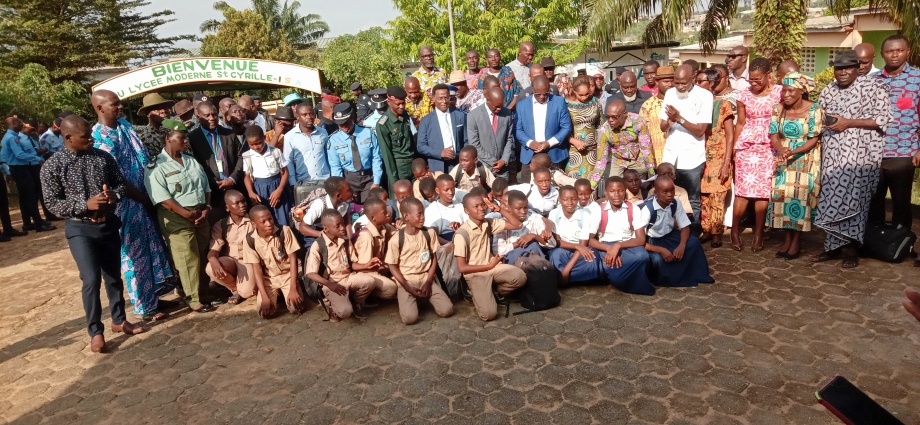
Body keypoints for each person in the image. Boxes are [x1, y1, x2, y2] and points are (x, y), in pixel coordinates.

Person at [40, 115, 146, 353]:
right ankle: (95, 332)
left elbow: (120, 184)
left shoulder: (102, 157)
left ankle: (118, 320)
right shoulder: (53, 165)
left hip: (107, 225)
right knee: (90, 279)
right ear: (68, 138)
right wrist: (84, 204)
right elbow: (51, 203)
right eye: (85, 137)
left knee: (113, 276)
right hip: (80, 229)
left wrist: (113, 196)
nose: (91, 139)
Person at [90, 90, 173, 321]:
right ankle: (144, 306)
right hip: (127, 203)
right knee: (134, 255)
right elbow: (116, 177)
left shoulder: (124, 126)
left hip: (144, 197)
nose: (119, 107)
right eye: (114, 104)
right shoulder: (101, 138)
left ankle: (153, 295)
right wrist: (143, 198)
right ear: (100, 108)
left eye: (119, 103)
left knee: (151, 246)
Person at [816, 49, 891, 269]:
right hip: (833, 155)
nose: (843, 72)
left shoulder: (874, 88)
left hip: (862, 155)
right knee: (832, 198)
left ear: (858, 68)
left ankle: (851, 249)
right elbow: (820, 117)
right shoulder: (828, 90)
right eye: (839, 68)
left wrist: (849, 122)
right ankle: (832, 246)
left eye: (848, 67)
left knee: (856, 201)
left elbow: (883, 119)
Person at [145, 119, 215, 315]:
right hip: (176, 217)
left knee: (202, 254)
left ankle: (204, 291)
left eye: (186, 138)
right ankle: (193, 299)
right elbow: (162, 198)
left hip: (200, 214)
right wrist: (186, 214)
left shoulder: (191, 161)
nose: (185, 141)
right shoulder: (156, 166)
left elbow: (206, 187)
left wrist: (206, 208)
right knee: (187, 258)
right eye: (181, 138)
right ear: (168, 139)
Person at [766, 72, 824, 260]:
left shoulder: (815, 109)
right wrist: (781, 149)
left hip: (805, 160)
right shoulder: (778, 109)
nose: (786, 94)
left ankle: (796, 240)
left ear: (801, 91)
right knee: (783, 199)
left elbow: (814, 138)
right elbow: (774, 135)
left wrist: (793, 152)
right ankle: (786, 238)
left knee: (799, 199)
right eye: (784, 90)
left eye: (791, 90)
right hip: (784, 159)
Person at [729, 58, 781, 252]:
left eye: (758, 80)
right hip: (747, 147)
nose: (754, 83)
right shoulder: (744, 95)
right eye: (751, 80)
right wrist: (735, 148)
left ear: (768, 76)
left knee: (763, 192)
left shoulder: (779, 92)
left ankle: (758, 233)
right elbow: (741, 122)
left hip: (769, 146)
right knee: (742, 191)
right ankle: (735, 231)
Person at [870, 35, 920, 230]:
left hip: (904, 153)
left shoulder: (917, 78)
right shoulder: (872, 81)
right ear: (882, 54)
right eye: (889, 51)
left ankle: (902, 245)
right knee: (874, 201)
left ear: (907, 52)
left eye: (899, 50)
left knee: (901, 203)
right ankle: (876, 243)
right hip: (873, 153)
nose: (894, 55)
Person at [454, 192, 526, 321]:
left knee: (520, 277)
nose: (482, 208)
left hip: (492, 267)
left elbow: (517, 225)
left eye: (483, 205)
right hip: (476, 273)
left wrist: (500, 209)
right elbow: (462, 268)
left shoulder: (488, 222)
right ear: (467, 211)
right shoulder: (462, 234)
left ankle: (496, 291)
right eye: (476, 206)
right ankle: (470, 290)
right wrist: (489, 265)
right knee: (489, 315)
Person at [659, 64, 714, 225]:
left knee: (692, 199)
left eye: (683, 83)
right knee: (668, 197)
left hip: (692, 157)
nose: (680, 87)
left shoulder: (705, 96)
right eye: (677, 83)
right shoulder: (670, 93)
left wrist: (679, 118)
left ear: (694, 77)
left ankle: (693, 235)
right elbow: (662, 126)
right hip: (670, 156)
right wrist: (670, 121)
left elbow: (700, 130)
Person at [386, 197, 454, 325]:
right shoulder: (396, 239)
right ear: (407, 217)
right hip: (407, 280)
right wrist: (406, 286)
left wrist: (429, 281)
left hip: (426, 277)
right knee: (410, 319)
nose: (423, 217)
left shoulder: (429, 233)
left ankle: (423, 297)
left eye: (423, 213)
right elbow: (393, 266)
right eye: (419, 214)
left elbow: (434, 258)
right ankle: (411, 298)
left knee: (447, 310)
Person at [305, 209, 376, 321]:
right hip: (331, 284)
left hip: (348, 278)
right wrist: (329, 284)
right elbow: (310, 273)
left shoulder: (345, 241)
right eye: (337, 226)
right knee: (345, 312)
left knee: (369, 281)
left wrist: (367, 265)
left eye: (342, 223)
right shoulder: (318, 245)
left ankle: (355, 303)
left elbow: (352, 264)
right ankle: (333, 308)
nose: (343, 228)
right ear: (326, 229)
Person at [589, 177, 655, 295]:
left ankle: (635, 282)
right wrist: (609, 248)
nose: (617, 195)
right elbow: (590, 239)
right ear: (606, 193)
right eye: (612, 191)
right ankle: (618, 278)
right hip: (606, 245)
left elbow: (640, 239)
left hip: (628, 244)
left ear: (625, 191)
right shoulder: (599, 209)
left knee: (642, 256)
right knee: (613, 271)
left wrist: (618, 245)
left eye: (620, 190)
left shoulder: (633, 208)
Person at [644, 176, 714, 287]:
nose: (670, 194)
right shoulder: (647, 209)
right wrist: (661, 250)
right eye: (665, 192)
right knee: (659, 260)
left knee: (693, 243)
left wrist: (682, 245)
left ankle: (697, 274)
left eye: (672, 190)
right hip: (652, 242)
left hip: (670, 236)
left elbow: (685, 227)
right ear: (656, 192)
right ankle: (668, 278)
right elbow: (639, 241)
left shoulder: (675, 202)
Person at [243, 205, 304, 318]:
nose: (269, 223)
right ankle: (277, 296)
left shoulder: (284, 231)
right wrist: (264, 296)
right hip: (269, 278)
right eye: (263, 221)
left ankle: (290, 290)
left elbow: (293, 260)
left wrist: (293, 288)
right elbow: (257, 269)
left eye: (270, 219)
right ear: (254, 224)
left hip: (287, 276)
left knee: (296, 308)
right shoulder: (249, 240)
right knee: (265, 313)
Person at [188, 101, 245, 219]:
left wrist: (232, 178)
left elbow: (241, 157)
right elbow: (195, 164)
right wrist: (214, 182)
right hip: (212, 193)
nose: (212, 118)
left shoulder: (229, 133)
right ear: (198, 116)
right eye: (207, 115)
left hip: (234, 188)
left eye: (214, 114)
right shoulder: (192, 138)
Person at [697, 68, 735, 248]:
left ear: (711, 84)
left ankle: (716, 232)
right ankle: (706, 229)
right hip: (699, 157)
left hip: (719, 157)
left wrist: (727, 162)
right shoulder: (694, 105)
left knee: (718, 196)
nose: (697, 85)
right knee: (703, 196)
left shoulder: (723, 105)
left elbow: (730, 135)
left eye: (701, 81)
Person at [1, 116, 55, 232]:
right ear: (13, 124)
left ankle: (27, 222)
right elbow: (19, 154)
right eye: (20, 123)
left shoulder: (13, 137)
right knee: (30, 195)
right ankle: (38, 223)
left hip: (21, 167)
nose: (22, 125)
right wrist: (36, 158)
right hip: (20, 168)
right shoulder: (12, 138)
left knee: (25, 197)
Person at [515, 75, 573, 183]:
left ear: (549, 89)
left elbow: (566, 127)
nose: (542, 97)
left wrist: (549, 143)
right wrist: (529, 142)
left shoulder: (559, 102)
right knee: (528, 189)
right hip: (530, 155)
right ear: (533, 90)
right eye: (538, 94)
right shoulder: (522, 105)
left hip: (554, 154)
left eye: (545, 93)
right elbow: (518, 130)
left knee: (555, 188)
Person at [327, 103, 383, 204]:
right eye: (340, 124)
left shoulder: (368, 132)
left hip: (369, 178)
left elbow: (376, 158)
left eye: (346, 122)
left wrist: (376, 182)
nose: (344, 127)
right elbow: (335, 167)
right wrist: (342, 188)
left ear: (352, 118)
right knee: (352, 212)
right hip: (349, 181)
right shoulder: (333, 140)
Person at [592, 99, 655, 189]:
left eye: (614, 117)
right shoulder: (604, 130)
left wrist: (651, 174)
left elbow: (646, 149)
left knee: (640, 179)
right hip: (616, 159)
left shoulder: (638, 122)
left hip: (636, 158)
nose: (610, 120)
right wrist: (592, 185)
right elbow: (601, 159)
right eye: (608, 117)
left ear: (624, 114)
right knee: (613, 183)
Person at [206, 190, 254, 305]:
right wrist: (213, 260)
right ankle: (235, 289)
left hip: (249, 261)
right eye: (236, 203)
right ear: (227, 208)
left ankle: (243, 289)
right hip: (231, 260)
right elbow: (213, 250)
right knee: (210, 267)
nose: (242, 205)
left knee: (247, 293)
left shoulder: (253, 220)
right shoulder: (221, 224)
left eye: (243, 201)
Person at [548, 185, 602, 286]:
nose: (570, 203)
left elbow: (583, 244)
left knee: (592, 257)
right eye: (565, 199)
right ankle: (577, 278)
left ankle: (562, 276)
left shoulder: (585, 214)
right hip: (563, 247)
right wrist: (576, 246)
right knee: (555, 255)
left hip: (581, 249)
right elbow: (557, 241)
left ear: (577, 200)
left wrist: (567, 269)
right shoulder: (554, 213)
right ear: (559, 200)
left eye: (573, 199)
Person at [241, 126, 292, 226]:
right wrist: (251, 192)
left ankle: (285, 239)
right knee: (265, 219)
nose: (256, 147)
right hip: (260, 191)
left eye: (258, 143)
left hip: (277, 187)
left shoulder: (275, 152)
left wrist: (280, 189)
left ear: (264, 138)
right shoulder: (247, 156)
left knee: (282, 218)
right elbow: (247, 176)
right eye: (252, 145)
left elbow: (285, 172)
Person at [351, 197, 398, 302]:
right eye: (384, 212)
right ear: (374, 217)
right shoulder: (366, 236)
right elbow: (364, 268)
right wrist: (388, 266)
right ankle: (363, 297)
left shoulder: (384, 227)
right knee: (391, 288)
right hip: (366, 273)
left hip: (379, 267)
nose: (388, 214)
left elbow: (399, 236)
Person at [285, 103, 331, 205]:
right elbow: (289, 161)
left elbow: (329, 156)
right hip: (304, 184)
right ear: (297, 117)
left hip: (325, 181)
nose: (309, 117)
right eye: (304, 115)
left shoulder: (323, 132)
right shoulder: (290, 137)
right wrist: (293, 184)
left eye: (311, 114)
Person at [493, 189, 556, 264]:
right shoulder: (503, 224)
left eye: (525, 208)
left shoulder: (533, 219)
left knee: (534, 245)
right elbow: (498, 251)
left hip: (535, 260)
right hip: (514, 260)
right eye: (518, 209)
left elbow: (552, 244)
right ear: (510, 208)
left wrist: (534, 236)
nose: (523, 212)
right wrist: (519, 243)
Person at [467, 87, 515, 179]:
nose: (499, 109)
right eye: (496, 106)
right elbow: (474, 144)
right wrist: (493, 161)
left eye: (501, 105)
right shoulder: (473, 116)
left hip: (502, 169)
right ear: (488, 100)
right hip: (483, 168)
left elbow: (509, 139)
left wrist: (504, 160)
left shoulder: (507, 113)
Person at [376, 86, 416, 195]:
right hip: (398, 169)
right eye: (398, 104)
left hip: (412, 165)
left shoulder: (405, 116)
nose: (402, 106)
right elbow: (387, 155)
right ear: (389, 101)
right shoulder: (383, 124)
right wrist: (395, 181)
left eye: (403, 103)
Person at [418, 84, 467, 173]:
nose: (444, 101)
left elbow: (466, 140)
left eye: (446, 98)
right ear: (433, 99)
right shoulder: (426, 121)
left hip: (457, 164)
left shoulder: (460, 116)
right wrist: (440, 153)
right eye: (440, 98)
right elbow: (421, 146)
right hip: (437, 166)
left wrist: (463, 158)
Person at [564, 75, 603, 178]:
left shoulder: (595, 102)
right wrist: (572, 140)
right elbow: (560, 128)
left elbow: (601, 125)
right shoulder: (566, 104)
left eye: (587, 94)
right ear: (574, 91)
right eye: (580, 95)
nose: (584, 97)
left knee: (592, 183)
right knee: (574, 182)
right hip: (573, 151)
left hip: (593, 151)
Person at [639, 65, 674, 164]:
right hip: (658, 158)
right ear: (657, 82)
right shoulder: (648, 105)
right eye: (666, 81)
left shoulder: (682, 102)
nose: (670, 84)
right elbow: (643, 134)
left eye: (672, 81)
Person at [425, 174, 468, 240]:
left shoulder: (460, 206)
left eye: (452, 189)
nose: (450, 192)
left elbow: (469, 227)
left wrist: (460, 227)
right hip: (441, 244)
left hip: (460, 240)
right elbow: (431, 235)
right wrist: (449, 245)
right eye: (446, 190)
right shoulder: (431, 210)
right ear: (437, 190)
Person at [134, 93, 175, 159]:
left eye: (165, 107)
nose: (163, 111)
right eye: (157, 109)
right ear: (148, 114)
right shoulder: (147, 138)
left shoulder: (168, 130)